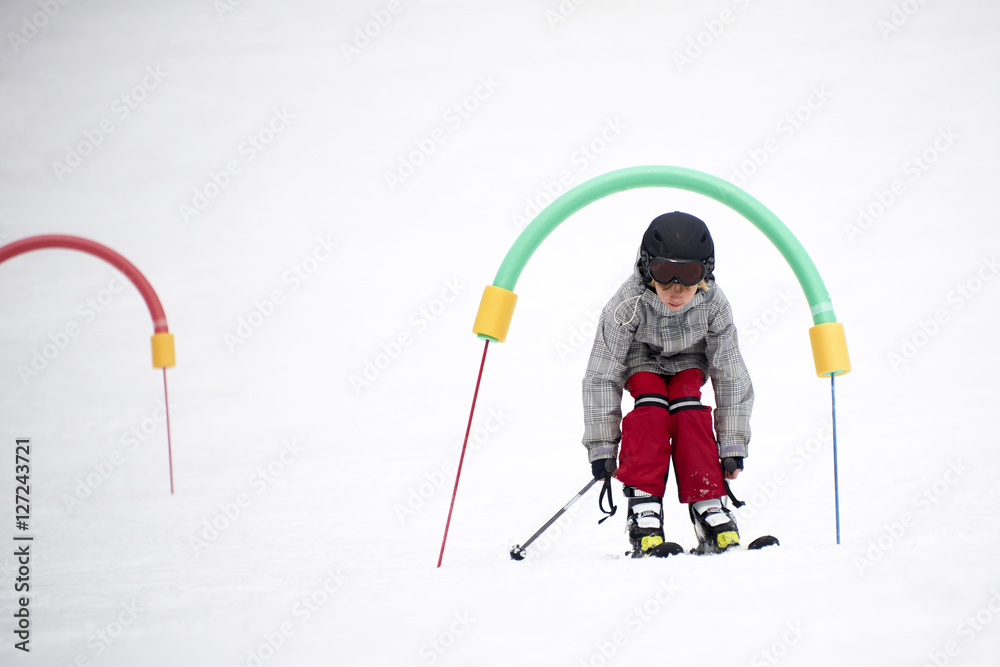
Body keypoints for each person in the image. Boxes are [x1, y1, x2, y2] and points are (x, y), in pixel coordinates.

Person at [582, 211, 754, 557]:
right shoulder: (626, 304)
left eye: (688, 280)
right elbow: (602, 373)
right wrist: (602, 448)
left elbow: (730, 369)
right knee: (651, 406)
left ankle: (709, 502)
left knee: (687, 405)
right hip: (640, 361)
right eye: (664, 279)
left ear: (704, 274)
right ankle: (644, 507)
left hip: (690, 362)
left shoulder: (714, 305)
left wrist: (732, 444)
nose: (676, 293)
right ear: (648, 269)